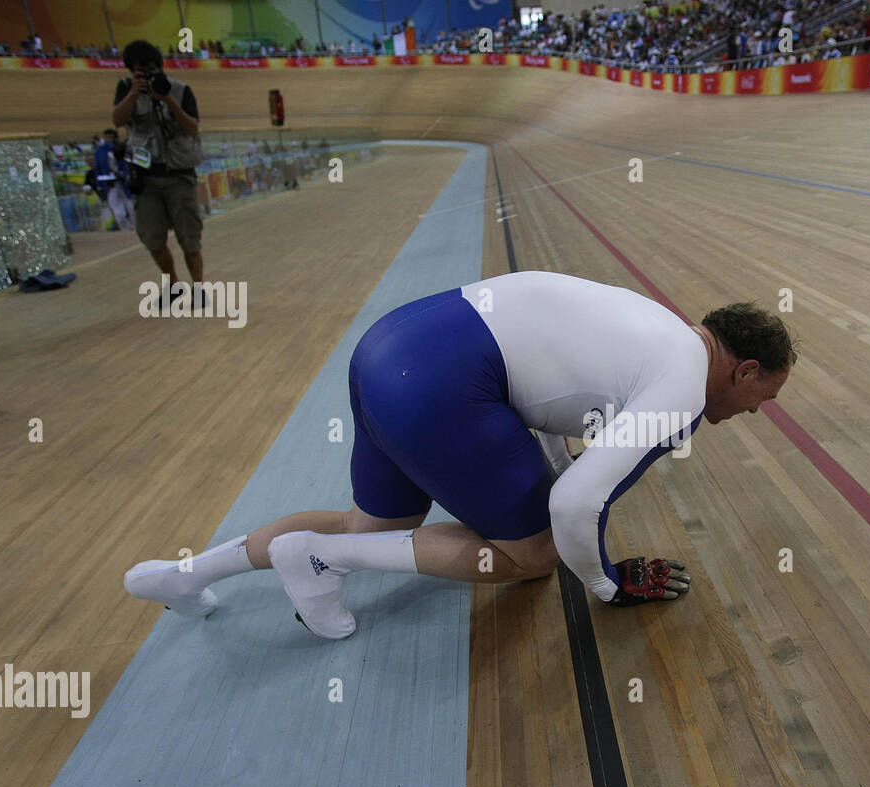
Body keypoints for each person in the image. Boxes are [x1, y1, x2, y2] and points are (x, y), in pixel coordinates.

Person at [124, 271, 797, 638]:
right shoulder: (683, 391)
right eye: (763, 397)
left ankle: (183, 575)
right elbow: (574, 504)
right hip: (442, 384)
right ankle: (320, 558)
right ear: (744, 369)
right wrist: (607, 584)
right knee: (535, 557)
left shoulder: (659, 328)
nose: (755, 412)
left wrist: (554, 479)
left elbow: (551, 412)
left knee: (372, 526)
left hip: (394, 347)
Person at [111, 38, 206, 308]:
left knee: (190, 238)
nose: (146, 74)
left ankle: (199, 288)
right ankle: (174, 285)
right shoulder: (126, 89)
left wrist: (168, 100)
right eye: (139, 70)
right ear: (132, 71)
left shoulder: (180, 90)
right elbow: (117, 120)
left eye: (150, 68)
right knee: (152, 238)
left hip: (179, 174)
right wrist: (134, 93)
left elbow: (193, 128)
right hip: (146, 177)